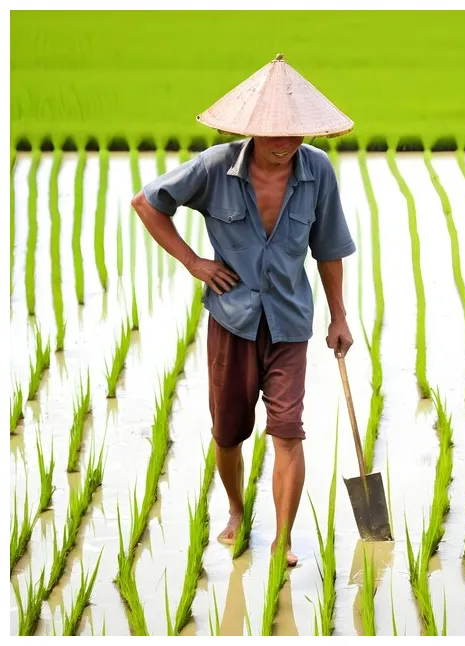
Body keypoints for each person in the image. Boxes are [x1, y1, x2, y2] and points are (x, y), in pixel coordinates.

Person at [131, 54, 356, 566]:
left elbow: (329, 248)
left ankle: (284, 540)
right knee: (228, 431)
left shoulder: (318, 172)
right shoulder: (215, 167)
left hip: (290, 323)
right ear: (253, 130)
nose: (286, 143)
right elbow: (147, 202)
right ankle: (235, 512)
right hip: (231, 321)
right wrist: (194, 262)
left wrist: (338, 316)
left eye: (296, 133)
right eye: (275, 133)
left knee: (288, 431)